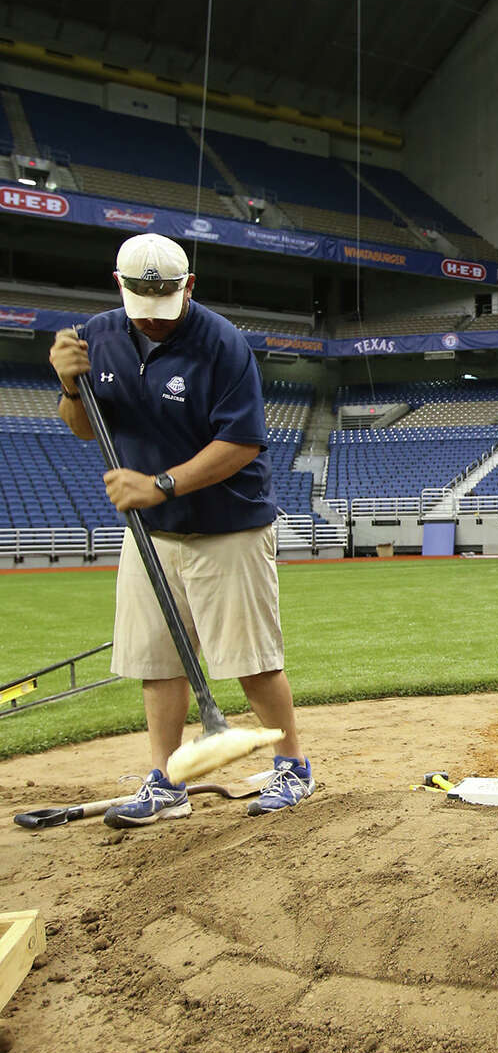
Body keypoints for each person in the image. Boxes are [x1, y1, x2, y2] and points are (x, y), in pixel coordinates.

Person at [48, 234, 315, 829]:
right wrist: (70, 386)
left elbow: (242, 443)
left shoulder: (222, 343)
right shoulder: (96, 336)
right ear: (119, 286)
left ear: (187, 286)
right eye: (141, 303)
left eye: (164, 301)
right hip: (153, 533)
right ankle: (167, 781)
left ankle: (293, 766)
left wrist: (159, 484)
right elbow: (84, 429)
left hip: (229, 525)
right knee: (158, 660)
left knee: (252, 657)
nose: (153, 317)